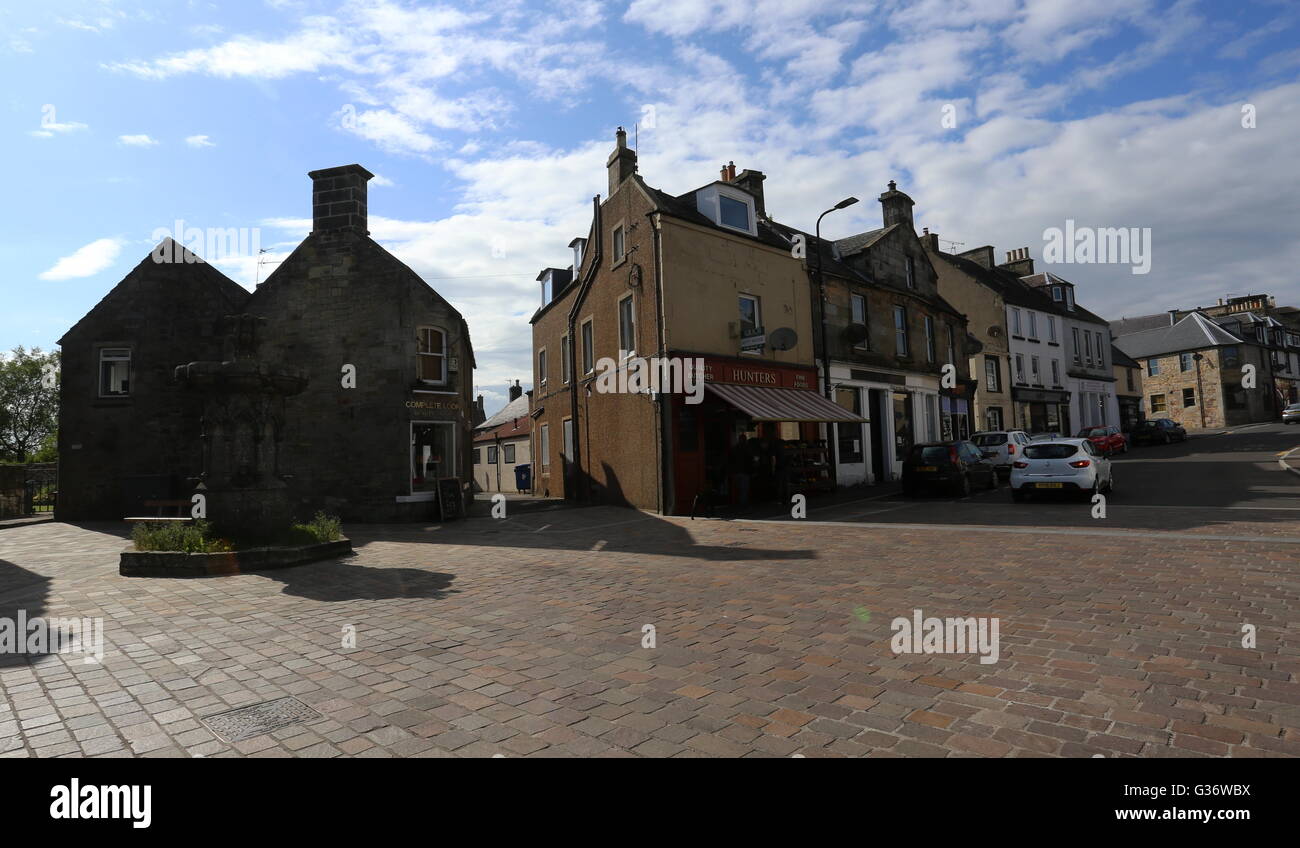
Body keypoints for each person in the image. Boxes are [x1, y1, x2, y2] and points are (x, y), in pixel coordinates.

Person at [729, 435, 752, 506]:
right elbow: (750, 460)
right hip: (744, 471)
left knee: (739, 488)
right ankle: (742, 504)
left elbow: (731, 460)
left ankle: (738, 502)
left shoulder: (735, 448)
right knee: (744, 489)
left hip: (736, 471)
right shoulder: (747, 448)